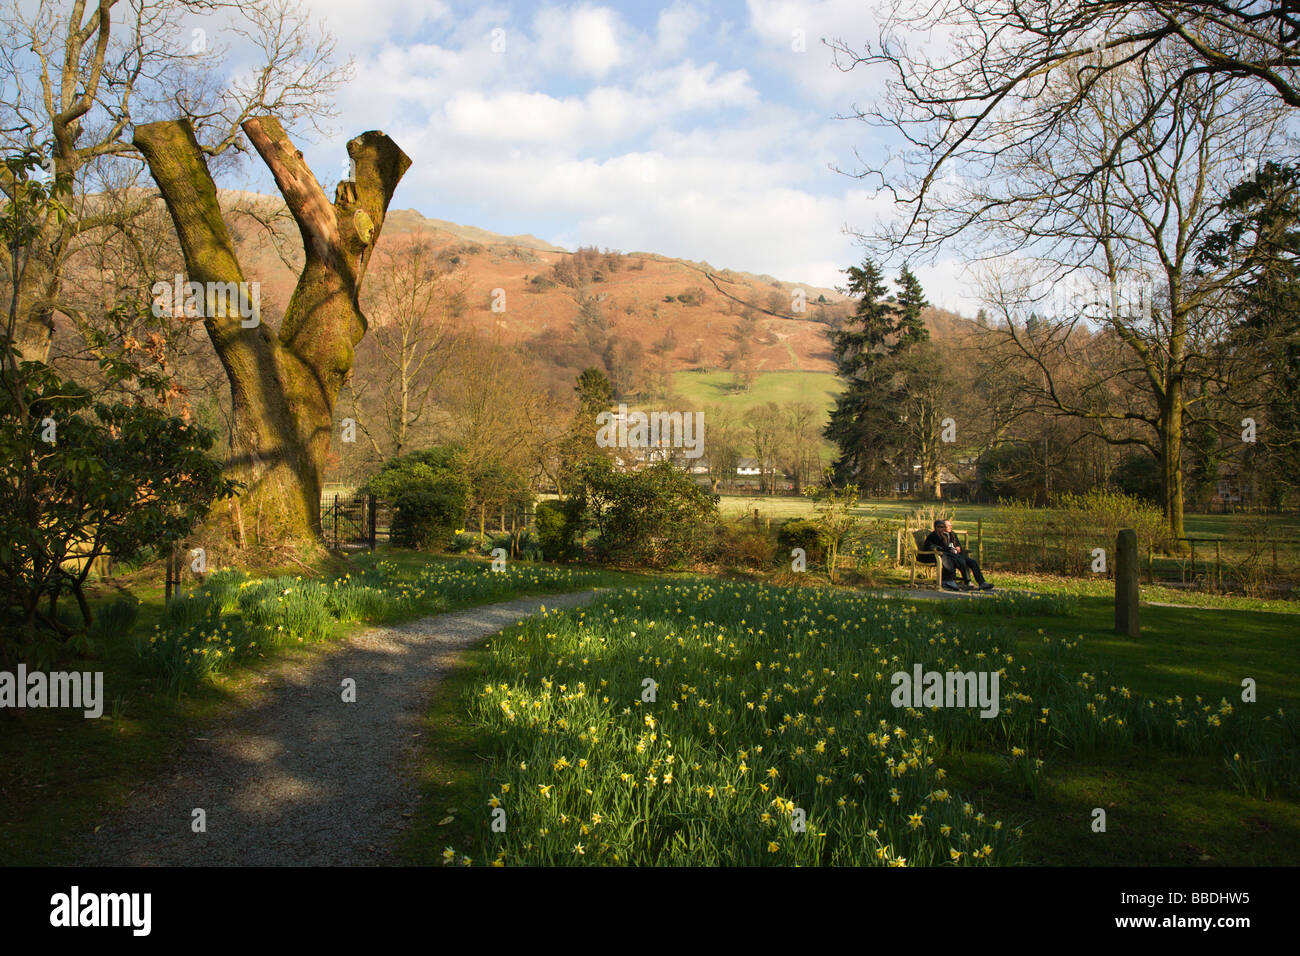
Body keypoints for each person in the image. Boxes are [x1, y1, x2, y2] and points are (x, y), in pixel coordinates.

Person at [922, 518, 994, 592]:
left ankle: (982, 583)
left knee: (972, 562)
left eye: (945, 526)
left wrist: (958, 548)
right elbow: (931, 546)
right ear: (937, 527)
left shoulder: (951, 534)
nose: (948, 527)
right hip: (941, 556)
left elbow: (957, 545)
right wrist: (945, 549)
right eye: (943, 526)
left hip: (956, 554)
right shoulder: (933, 536)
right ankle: (962, 582)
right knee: (958, 560)